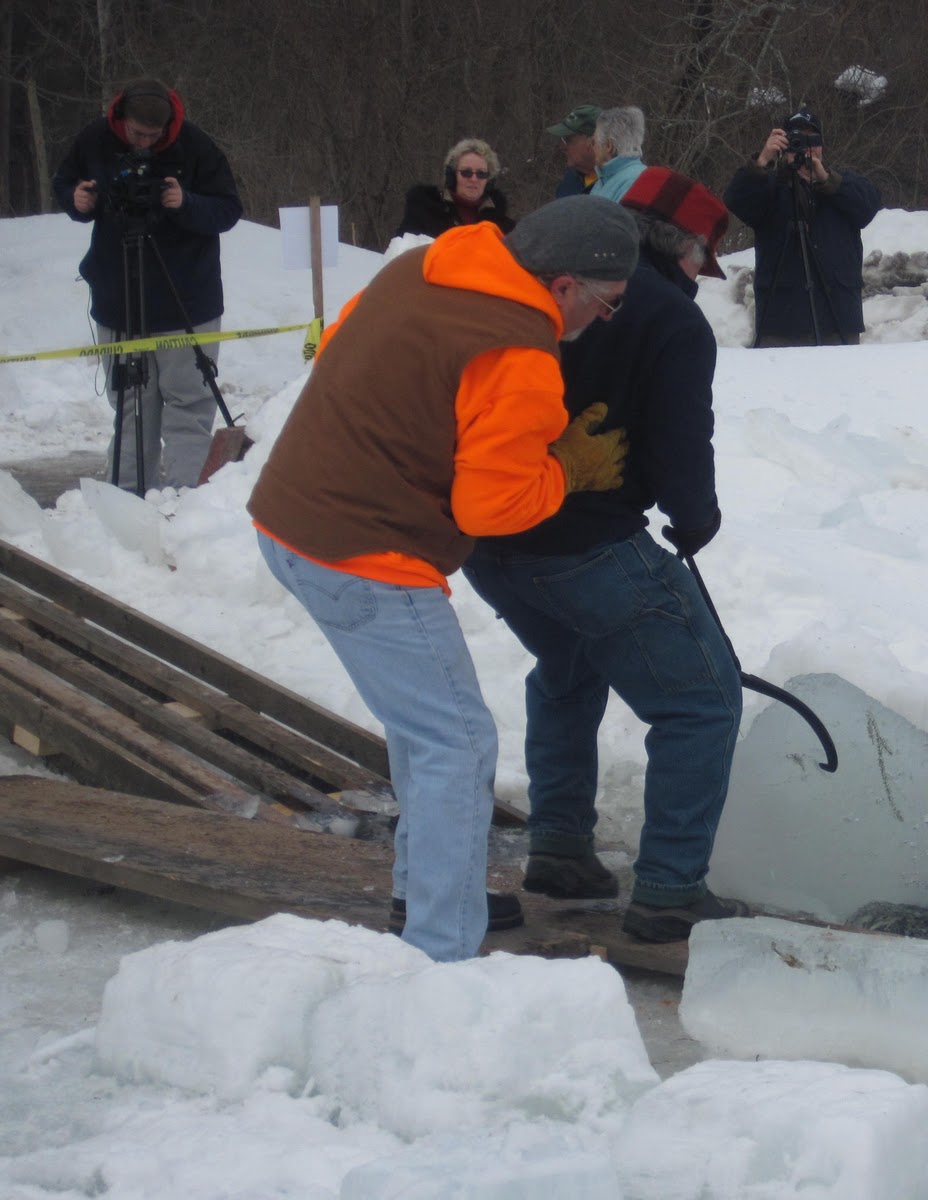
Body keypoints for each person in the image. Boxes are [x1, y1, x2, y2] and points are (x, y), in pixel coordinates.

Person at [248, 195, 638, 963]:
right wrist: (566, 466)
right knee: (456, 745)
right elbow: (492, 506)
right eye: (607, 303)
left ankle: (425, 891)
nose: (605, 320)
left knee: (426, 734)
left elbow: (339, 346)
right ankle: (440, 955)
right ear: (563, 285)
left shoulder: (427, 264)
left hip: (289, 519)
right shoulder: (521, 352)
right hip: (363, 555)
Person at [463, 167, 747, 944]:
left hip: (488, 544)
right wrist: (696, 519)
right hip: (583, 546)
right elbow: (680, 446)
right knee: (702, 700)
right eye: (700, 260)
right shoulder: (671, 324)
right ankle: (669, 891)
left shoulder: (523, 286)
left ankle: (558, 847)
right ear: (677, 247)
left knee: (570, 668)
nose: (698, 278)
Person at [51, 78, 242, 490]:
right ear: (121, 118)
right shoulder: (95, 140)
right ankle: (126, 499)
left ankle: (185, 502)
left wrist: (185, 203)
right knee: (132, 408)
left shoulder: (195, 146)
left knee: (188, 406)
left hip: (186, 301)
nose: (145, 142)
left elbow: (229, 209)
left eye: (155, 136)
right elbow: (65, 182)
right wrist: (76, 199)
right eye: (138, 133)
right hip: (120, 297)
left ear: (170, 125)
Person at [722, 108, 881, 348]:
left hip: (837, 319)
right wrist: (762, 161)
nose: (806, 147)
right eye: (796, 139)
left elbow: (869, 205)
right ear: (783, 144)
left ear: (822, 146)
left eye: (813, 140)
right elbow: (736, 199)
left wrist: (827, 180)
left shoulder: (840, 185)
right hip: (782, 321)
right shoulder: (769, 189)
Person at [394, 137, 517, 238]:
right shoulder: (423, 213)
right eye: (466, 172)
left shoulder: (503, 227)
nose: (474, 179)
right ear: (452, 175)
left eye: (481, 174)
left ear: (489, 180)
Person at [587, 106, 648, 202]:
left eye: (594, 142)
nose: (591, 147)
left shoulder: (632, 183)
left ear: (608, 146)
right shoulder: (605, 178)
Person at [548, 104, 601, 197]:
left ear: (593, 142)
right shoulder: (569, 181)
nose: (562, 147)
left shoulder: (623, 184)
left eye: (568, 139)